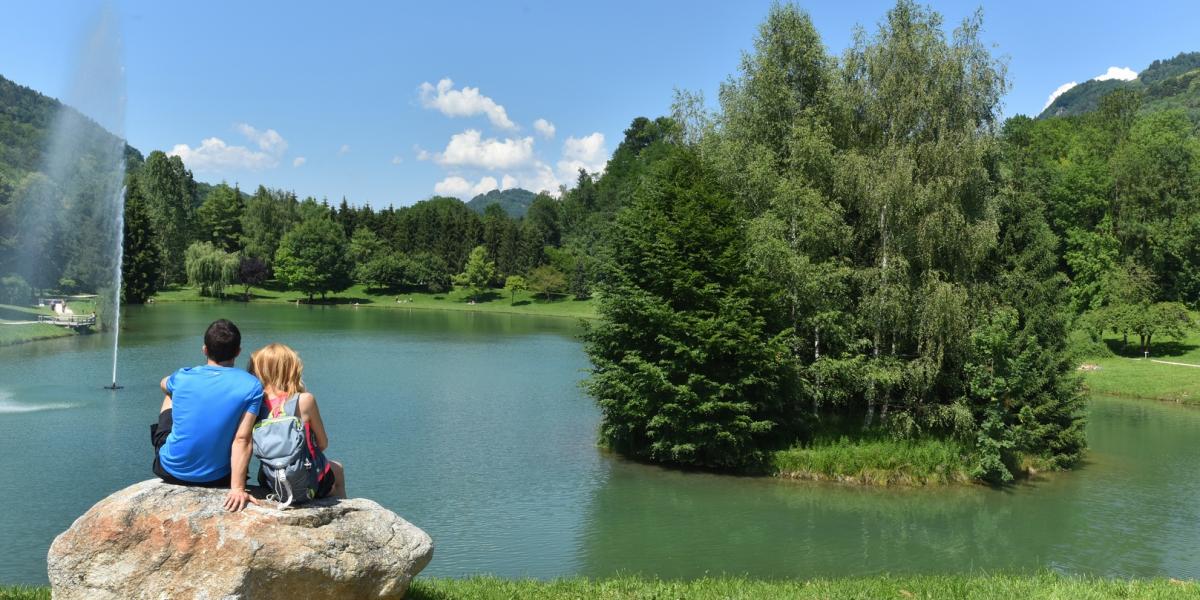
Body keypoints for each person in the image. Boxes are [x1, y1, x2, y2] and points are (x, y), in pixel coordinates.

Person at [151, 319, 263, 512]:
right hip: (219, 478)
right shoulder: (251, 386)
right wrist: (237, 488)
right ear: (238, 351)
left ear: (205, 350)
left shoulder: (183, 376)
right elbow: (242, 439)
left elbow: (163, 383)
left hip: (170, 470)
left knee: (171, 392)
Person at [248, 343, 346, 499]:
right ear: (291, 369)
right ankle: (341, 512)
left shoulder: (253, 403)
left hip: (270, 481)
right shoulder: (304, 400)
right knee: (338, 470)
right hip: (306, 481)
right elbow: (323, 444)